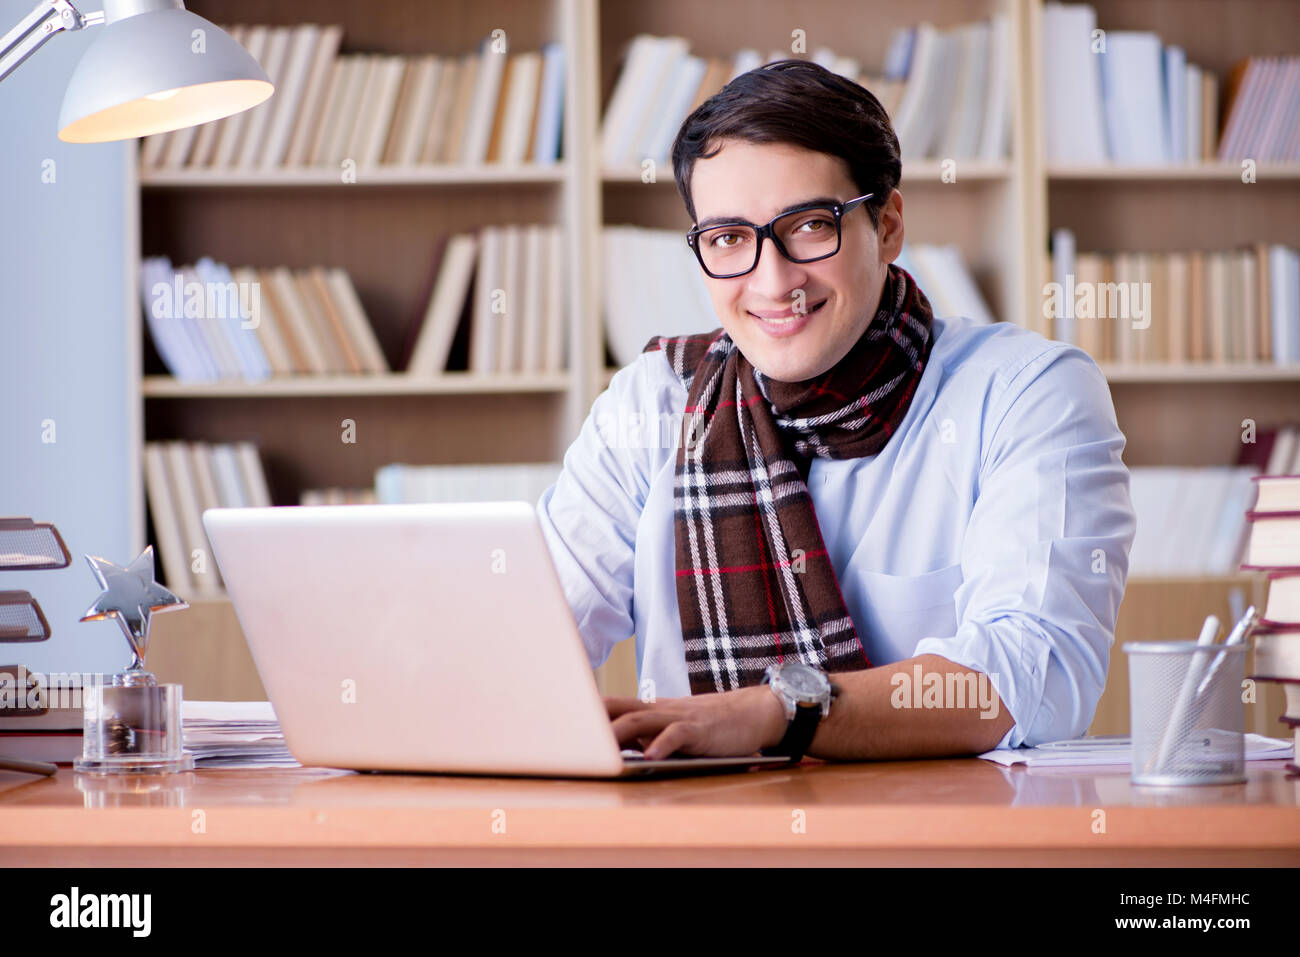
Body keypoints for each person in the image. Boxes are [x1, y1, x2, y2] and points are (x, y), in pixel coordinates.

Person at [536, 60, 1136, 763]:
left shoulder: (1027, 392)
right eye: (728, 238)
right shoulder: (653, 403)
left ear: (887, 225)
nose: (773, 279)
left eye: (810, 226)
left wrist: (778, 711)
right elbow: (528, 644)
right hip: (699, 838)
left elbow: (1033, 672)